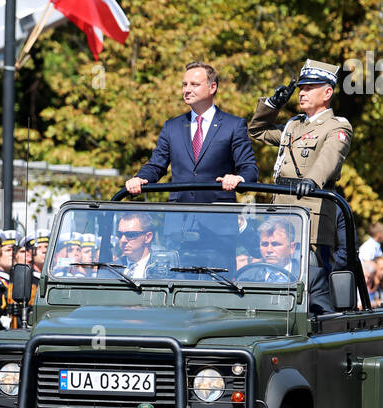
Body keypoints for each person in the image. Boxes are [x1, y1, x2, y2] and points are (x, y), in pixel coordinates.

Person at [248, 59, 352, 268]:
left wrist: (312, 180)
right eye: (301, 89)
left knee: (311, 280)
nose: (301, 93)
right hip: (280, 215)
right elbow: (256, 130)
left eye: (309, 88)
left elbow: (330, 156)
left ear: (327, 93)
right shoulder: (293, 125)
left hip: (310, 214)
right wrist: (273, 104)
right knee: (276, 277)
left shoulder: (336, 126)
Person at [125, 61, 259, 201]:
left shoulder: (234, 125)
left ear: (212, 87)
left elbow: (249, 168)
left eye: (194, 84)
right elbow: (156, 165)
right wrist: (139, 179)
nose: (187, 90)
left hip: (218, 216)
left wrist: (238, 178)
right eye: (184, 84)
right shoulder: (171, 126)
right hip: (179, 216)